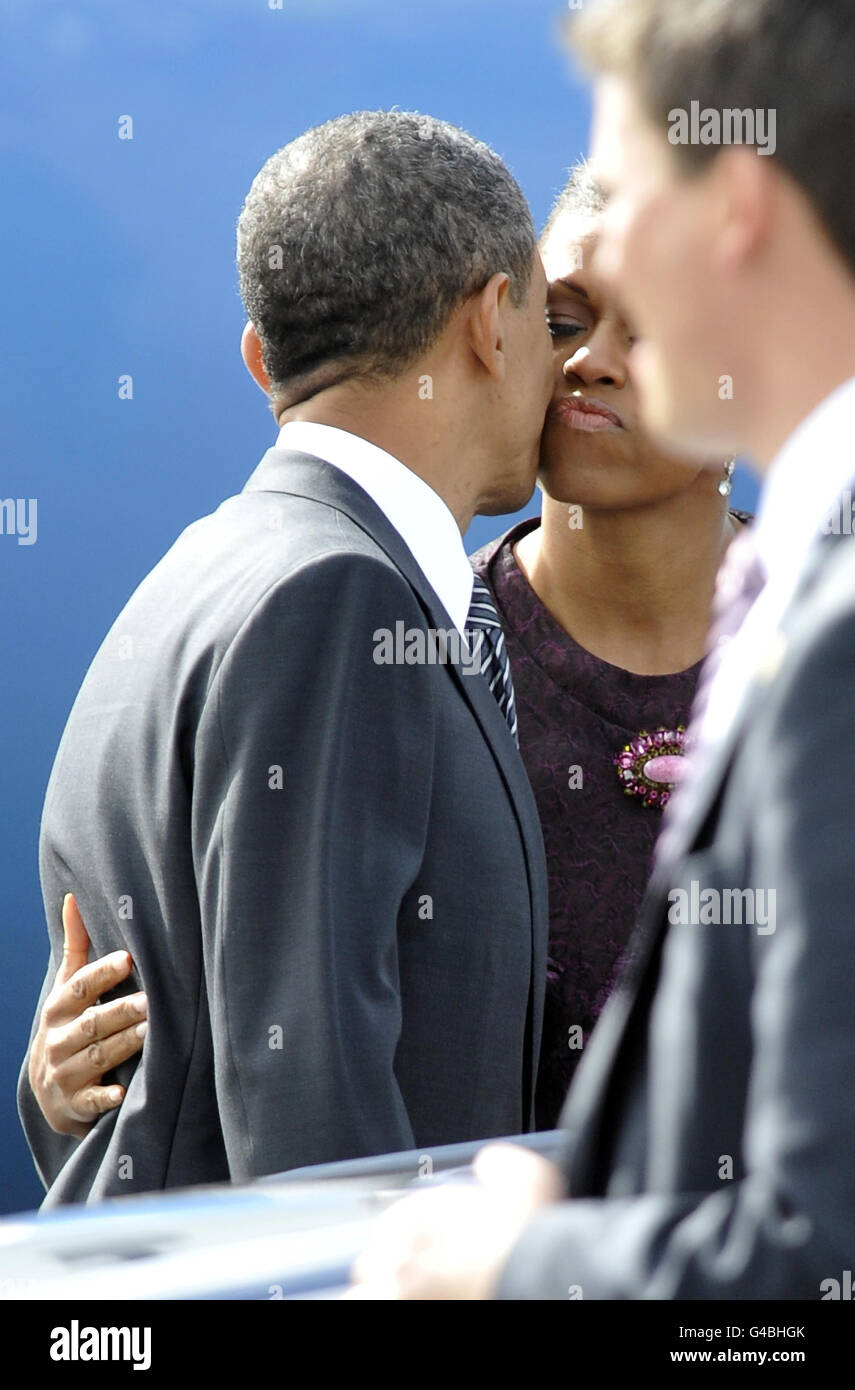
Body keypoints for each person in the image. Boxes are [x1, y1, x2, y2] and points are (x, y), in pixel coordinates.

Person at [24, 162, 751, 1142]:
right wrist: (69, 1083)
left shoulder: (820, 636)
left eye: (654, 328)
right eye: (565, 321)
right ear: (504, 330)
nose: (591, 362)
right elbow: (267, 1034)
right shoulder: (403, 643)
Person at [351, 0, 855, 1298]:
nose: (580, 345)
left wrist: (520, 1262)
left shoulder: (826, 628)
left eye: (624, 190)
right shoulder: (423, 646)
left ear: (732, 206)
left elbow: (808, 1259)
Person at [18, 109, 554, 1206]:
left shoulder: (201, 566)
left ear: (263, 359)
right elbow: (306, 1093)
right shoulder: (338, 596)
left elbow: (151, 1080)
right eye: (554, 318)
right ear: (494, 320)